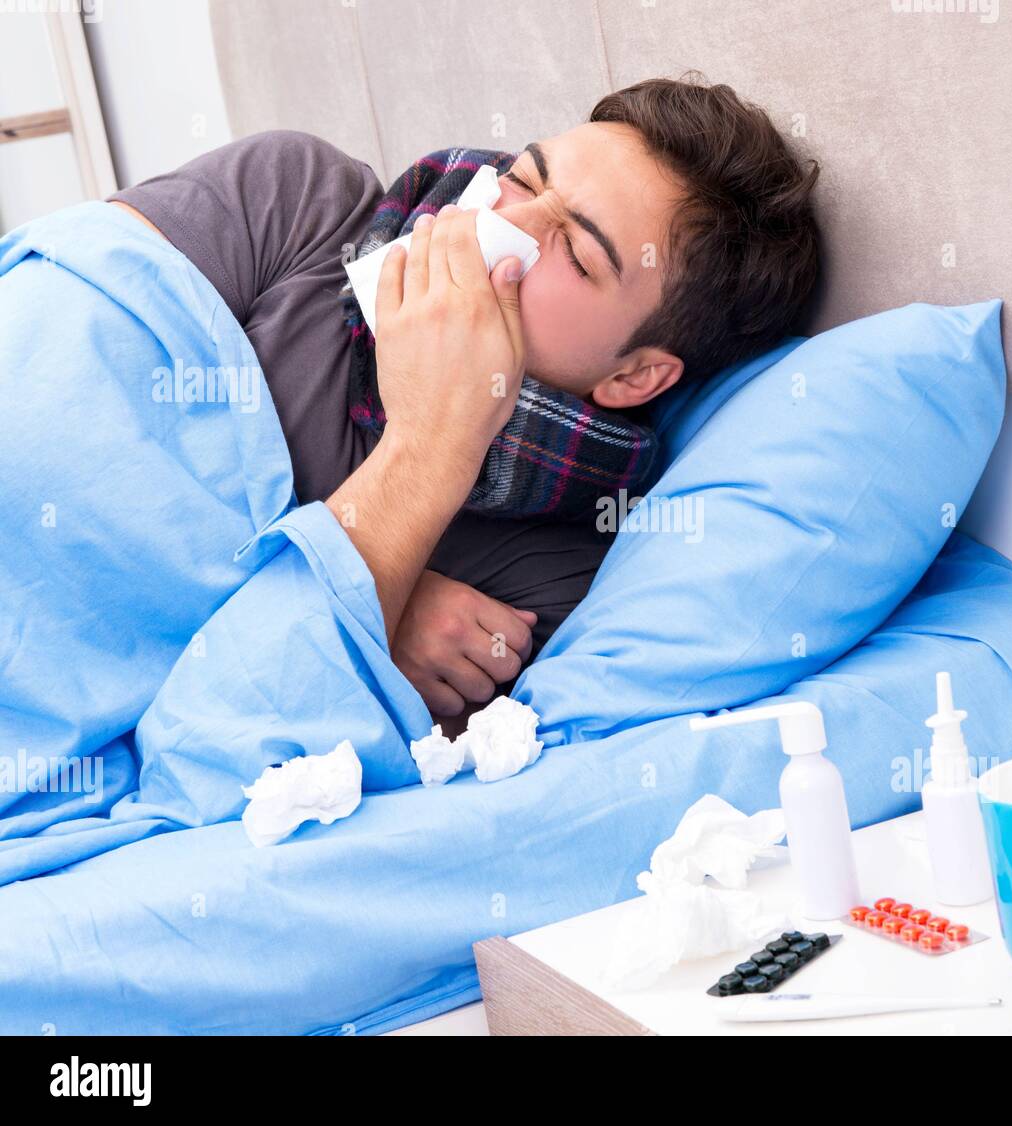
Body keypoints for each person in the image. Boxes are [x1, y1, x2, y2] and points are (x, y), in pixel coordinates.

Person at [106, 75, 822, 728]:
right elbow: (56, 411)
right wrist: (377, 608)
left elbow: (236, 737)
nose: (505, 222)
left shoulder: (549, 587)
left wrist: (432, 449)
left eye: (575, 253)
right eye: (521, 178)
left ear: (634, 378)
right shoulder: (291, 200)